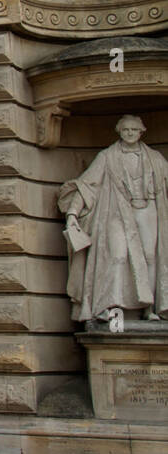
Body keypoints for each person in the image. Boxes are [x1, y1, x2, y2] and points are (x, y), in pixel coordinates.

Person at [58, 115, 168, 325]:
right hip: (117, 212)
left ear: (141, 132)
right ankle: (111, 306)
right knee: (116, 255)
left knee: (150, 257)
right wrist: (73, 212)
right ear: (119, 131)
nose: (129, 133)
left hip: (148, 209)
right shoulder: (107, 156)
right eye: (126, 129)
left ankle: (149, 308)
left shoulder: (155, 158)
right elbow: (86, 185)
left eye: (134, 130)